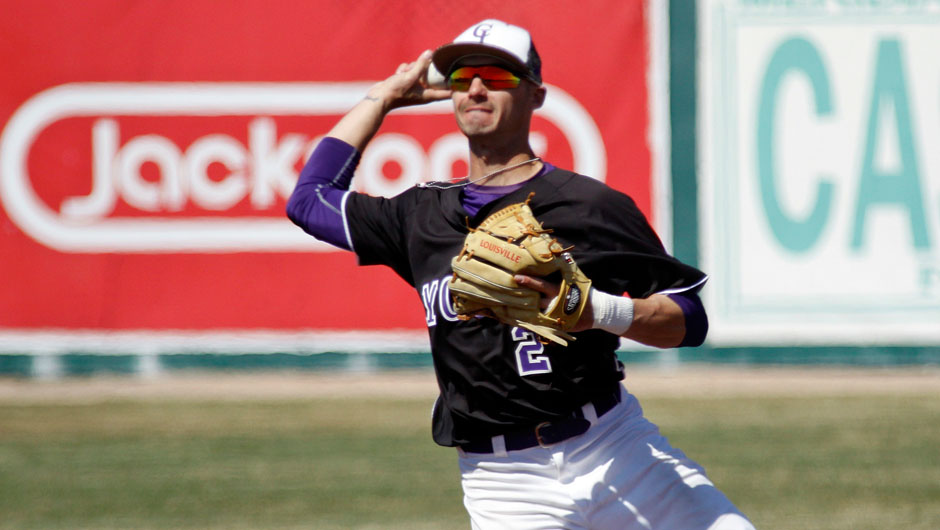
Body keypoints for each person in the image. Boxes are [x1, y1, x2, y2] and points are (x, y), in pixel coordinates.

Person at [288, 19, 754, 530]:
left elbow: (688, 320)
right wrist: (384, 97)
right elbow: (308, 200)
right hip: (504, 486)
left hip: (616, 449)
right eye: (463, 76)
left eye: (497, 75)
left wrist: (598, 311)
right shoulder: (419, 215)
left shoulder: (589, 206)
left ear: (536, 94)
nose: (477, 88)